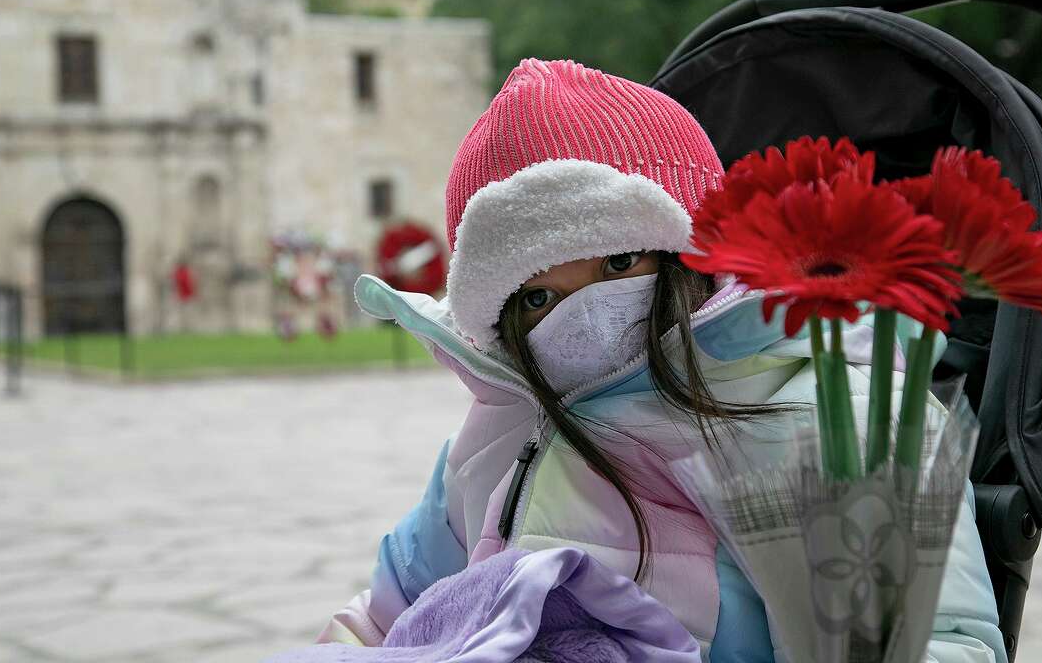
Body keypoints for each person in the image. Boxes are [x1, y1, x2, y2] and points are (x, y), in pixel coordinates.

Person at [318, 59, 1007, 661]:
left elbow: (939, 641)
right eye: (537, 297)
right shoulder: (498, 433)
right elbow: (393, 613)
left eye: (619, 262)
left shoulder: (835, 419)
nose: (582, 313)